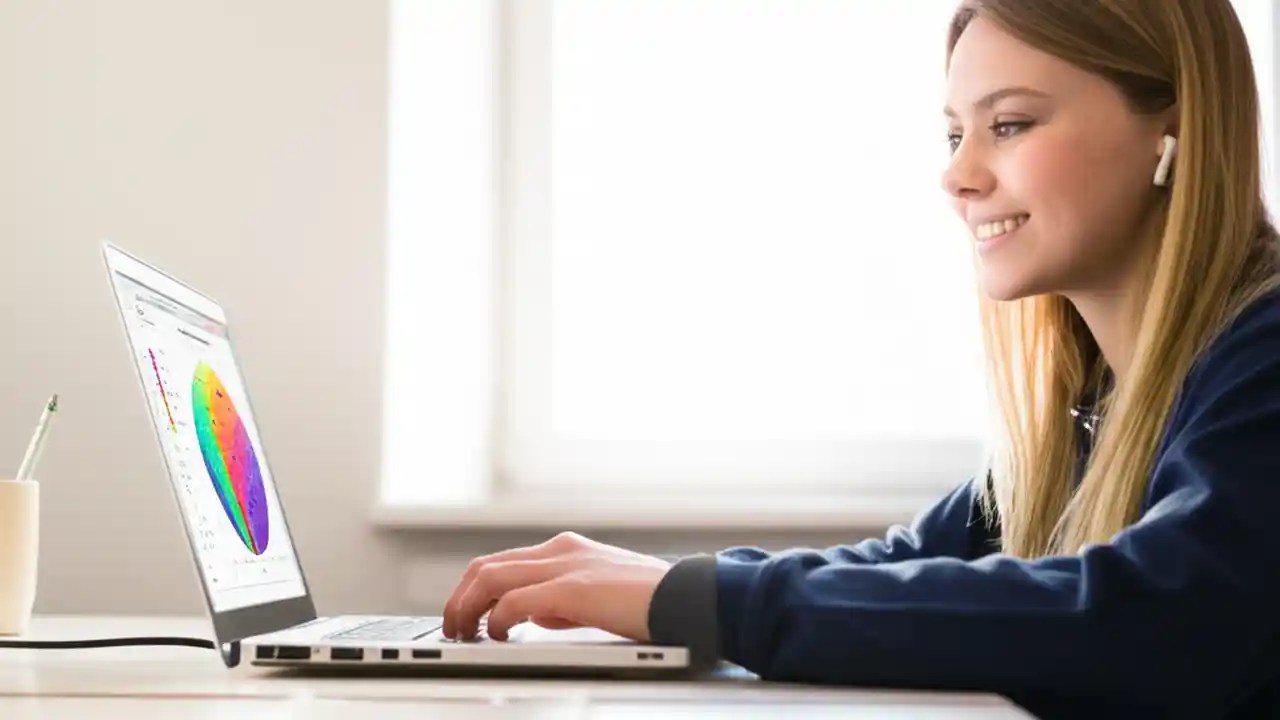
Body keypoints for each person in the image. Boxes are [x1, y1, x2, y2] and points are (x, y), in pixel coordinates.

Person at [441, 1, 1280, 716]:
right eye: (954, 133)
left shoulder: (1264, 356)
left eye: (1010, 125)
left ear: (1173, 128)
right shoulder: (1091, 407)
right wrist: (669, 584)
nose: (957, 174)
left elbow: (1164, 621)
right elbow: (911, 568)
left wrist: (700, 601)